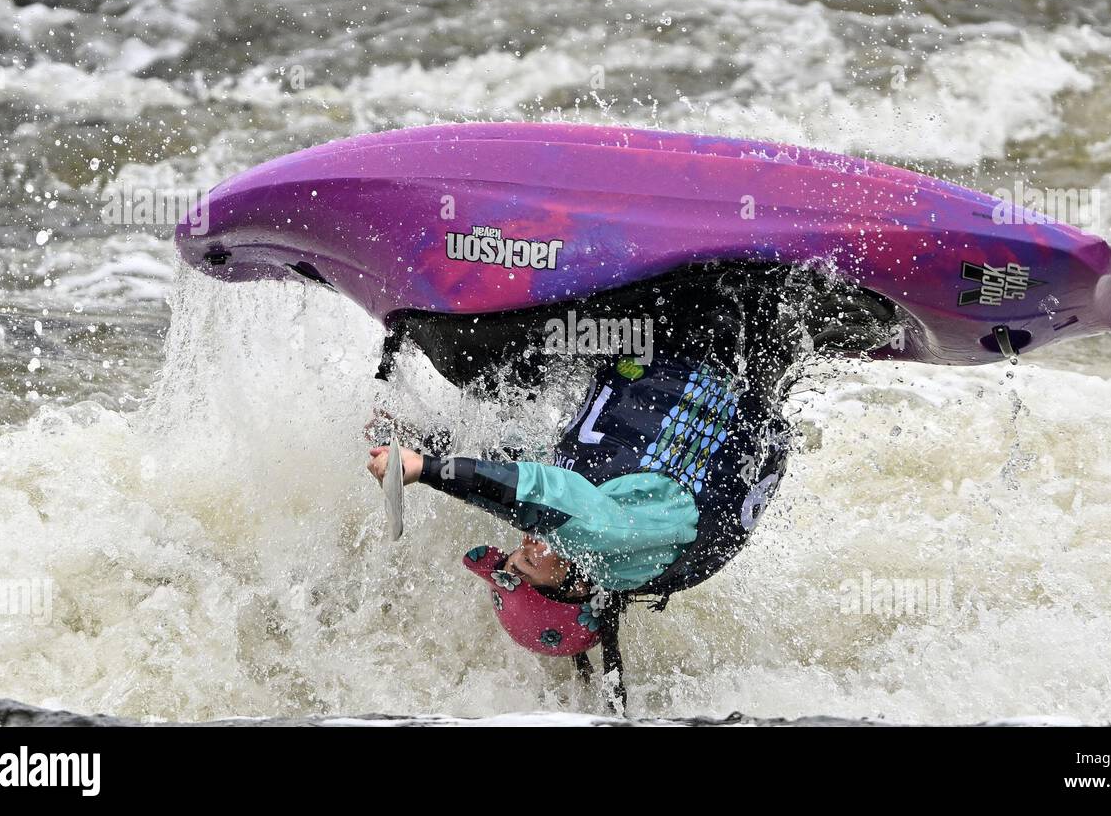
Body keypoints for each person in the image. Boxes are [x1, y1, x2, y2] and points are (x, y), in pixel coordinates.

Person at [367, 268, 885, 708]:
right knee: (470, 353)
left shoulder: (616, 557)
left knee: (504, 376)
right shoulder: (605, 542)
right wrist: (423, 469)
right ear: (575, 587)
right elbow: (540, 494)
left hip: (698, 352)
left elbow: (518, 466)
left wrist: (419, 438)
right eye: (525, 564)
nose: (522, 547)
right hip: (708, 327)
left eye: (515, 557)